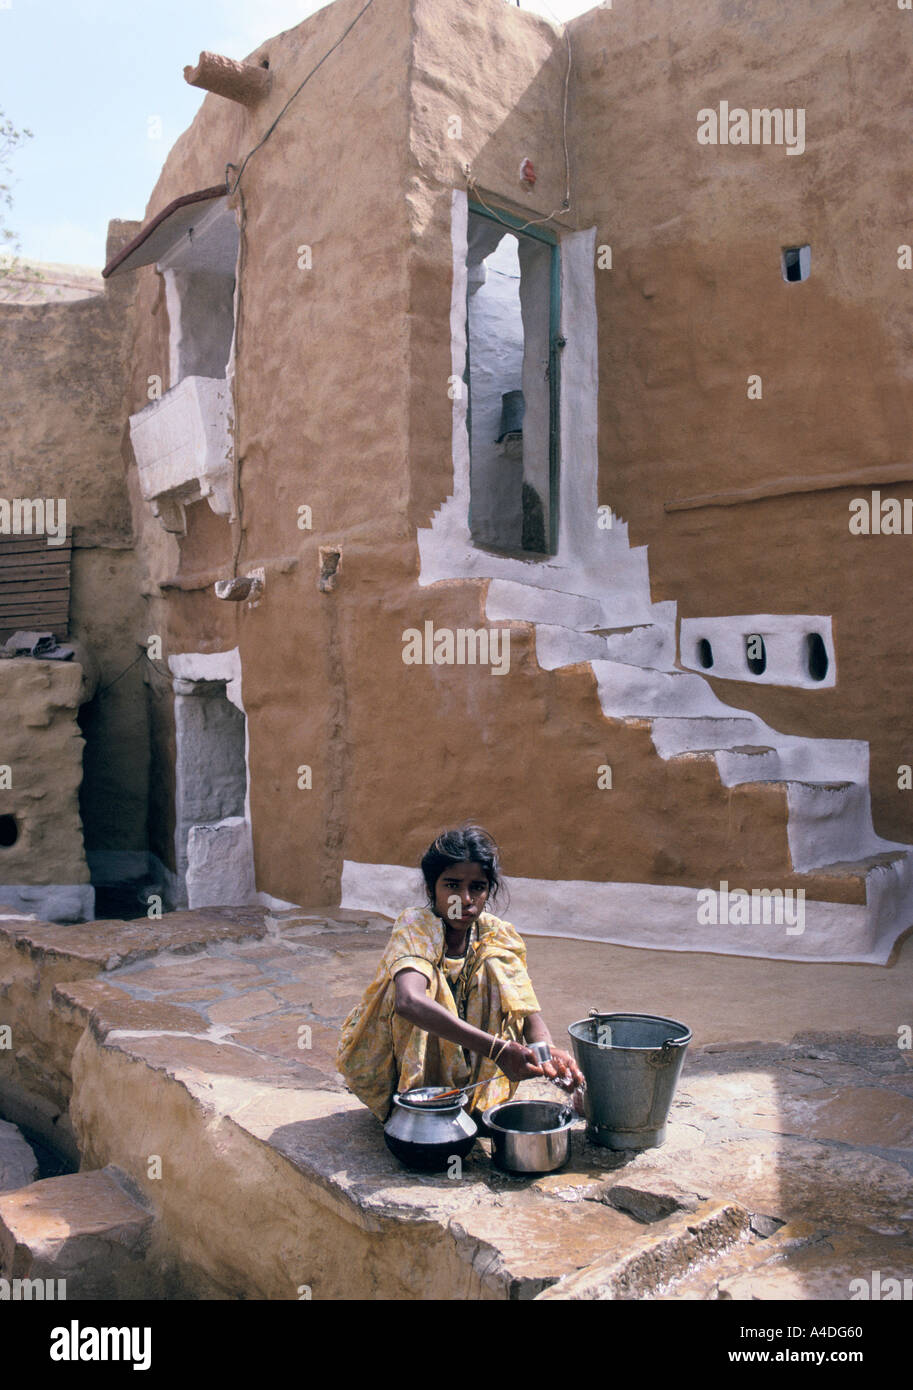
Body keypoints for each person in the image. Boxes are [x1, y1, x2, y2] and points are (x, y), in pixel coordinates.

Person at [336, 824, 585, 1122]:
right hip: (397, 1066)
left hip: (475, 1063)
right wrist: (499, 1051)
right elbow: (409, 1002)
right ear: (431, 889)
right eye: (452, 885)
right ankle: (417, 1102)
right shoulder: (416, 925)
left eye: (477, 888)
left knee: (494, 969)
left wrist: (546, 1055)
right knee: (425, 986)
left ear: (487, 892)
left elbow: (528, 1014)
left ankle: (470, 1103)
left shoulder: (496, 935)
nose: (464, 899)